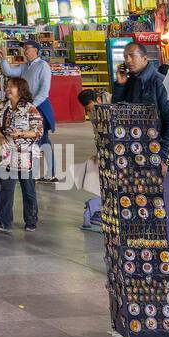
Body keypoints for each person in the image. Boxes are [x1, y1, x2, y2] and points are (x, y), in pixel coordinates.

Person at [113, 42, 169, 260]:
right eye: (125, 56)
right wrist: (120, 85)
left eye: (132, 56)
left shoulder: (159, 83)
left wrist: (163, 157)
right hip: (138, 160)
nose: (128, 60)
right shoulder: (131, 83)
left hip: (163, 164)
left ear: (145, 58)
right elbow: (118, 115)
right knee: (144, 217)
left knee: (166, 217)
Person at [0, 76, 43, 232]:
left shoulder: (30, 109)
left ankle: (31, 220)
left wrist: (21, 133)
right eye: (7, 86)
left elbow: (38, 132)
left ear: (20, 90)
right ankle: (4, 221)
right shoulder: (1, 106)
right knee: (6, 188)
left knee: (28, 188)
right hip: (7, 151)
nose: (7, 89)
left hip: (26, 153)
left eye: (11, 87)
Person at [0, 38, 55, 181]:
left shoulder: (43, 66)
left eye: (27, 48)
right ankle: (49, 173)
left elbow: (44, 91)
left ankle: (35, 175)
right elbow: (9, 72)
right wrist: (4, 58)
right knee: (42, 141)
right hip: (28, 107)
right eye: (23, 48)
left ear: (36, 50)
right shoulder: (25, 66)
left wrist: (30, 107)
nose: (24, 50)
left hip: (40, 107)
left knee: (37, 141)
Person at [77, 89, 104, 231]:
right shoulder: (95, 115)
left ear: (99, 100)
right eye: (87, 111)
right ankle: (95, 209)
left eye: (91, 108)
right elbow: (99, 135)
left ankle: (95, 208)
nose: (90, 113)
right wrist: (99, 153)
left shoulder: (111, 105)